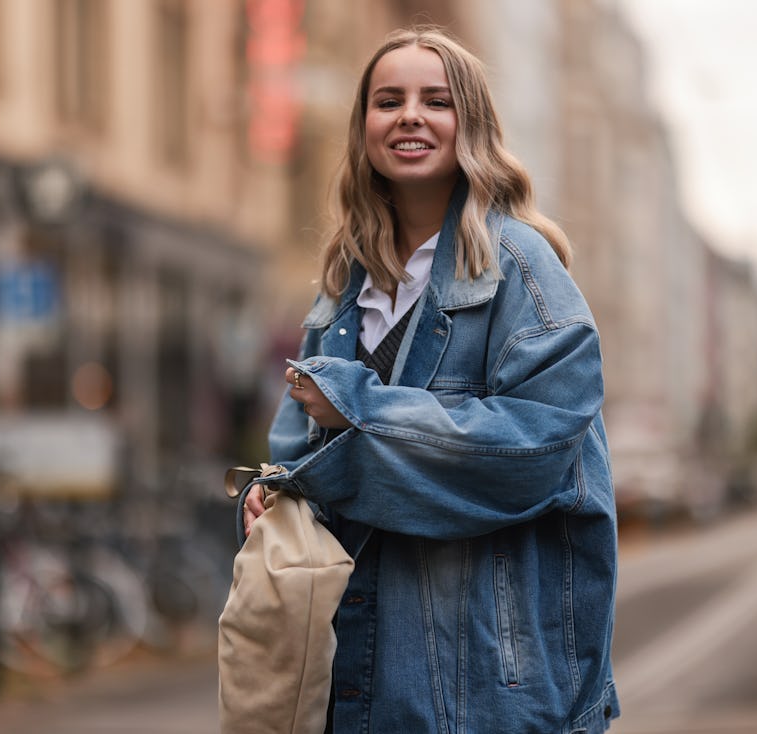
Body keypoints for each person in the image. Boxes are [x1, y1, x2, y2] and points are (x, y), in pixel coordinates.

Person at [240, 26, 620, 734]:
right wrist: (274, 492)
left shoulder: (524, 269)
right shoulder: (343, 288)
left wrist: (360, 417)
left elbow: (536, 452)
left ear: (470, 124)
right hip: (356, 686)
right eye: (388, 101)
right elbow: (301, 454)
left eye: (435, 100)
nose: (409, 115)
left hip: (489, 692)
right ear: (364, 131)